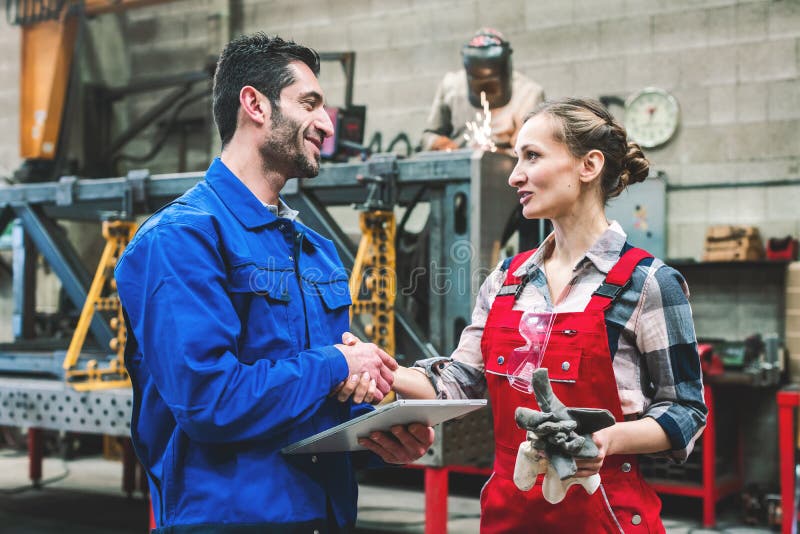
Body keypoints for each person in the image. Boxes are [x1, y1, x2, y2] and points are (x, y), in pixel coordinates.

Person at [115, 33, 434, 533]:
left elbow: (315, 403)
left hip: (324, 517)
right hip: (227, 521)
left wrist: (381, 437)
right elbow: (210, 401)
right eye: (309, 103)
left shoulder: (315, 250)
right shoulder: (181, 238)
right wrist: (336, 363)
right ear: (255, 105)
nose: (326, 124)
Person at [345, 98, 707, 533]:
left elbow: (687, 410)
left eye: (532, 156)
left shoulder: (648, 283)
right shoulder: (506, 279)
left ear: (588, 165)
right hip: (509, 514)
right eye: (517, 158)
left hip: (604, 514)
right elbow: (460, 379)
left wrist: (606, 441)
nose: (515, 175)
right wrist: (381, 367)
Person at [420, 28, 545, 154]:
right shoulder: (451, 86)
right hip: (458, 158)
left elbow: (532, 150)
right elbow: (427, 136)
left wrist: (502, 154)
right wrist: (437, 143)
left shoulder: (529, 93)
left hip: (508, 163)